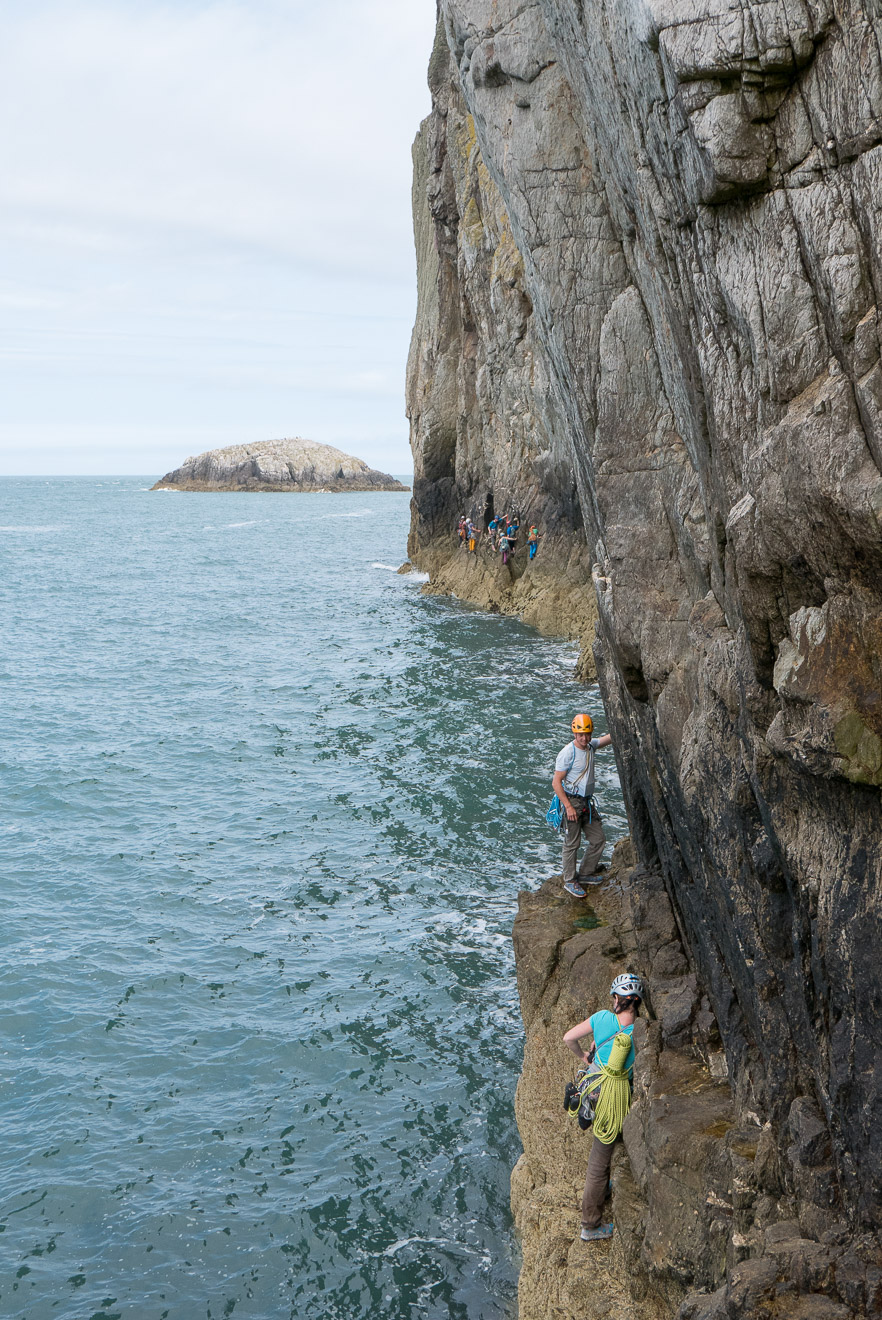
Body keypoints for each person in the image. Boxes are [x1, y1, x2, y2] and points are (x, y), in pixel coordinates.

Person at [563, 973, 643, 1241]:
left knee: (600, 1157)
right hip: (615, 1098)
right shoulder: (638, 1034)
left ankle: (594, 1213)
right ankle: (590, 1225)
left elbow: (568, 1038)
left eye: (614, 997)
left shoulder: (601, 1019)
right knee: (599, 1163)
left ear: (618, 999)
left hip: (594, 1092)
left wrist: (586, 1057)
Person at [552, 713, 612, 898]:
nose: (584, 738)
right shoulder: (567, 753)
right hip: (572, 802)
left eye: (587, 734)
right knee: (572, 843)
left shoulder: (591, 746)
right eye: (580, 734)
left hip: (586, 802)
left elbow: (606, 739)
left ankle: (585, 873)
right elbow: (556, 782)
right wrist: (568, 807)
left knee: (598, 838)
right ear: (574, 734)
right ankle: (570, 880)